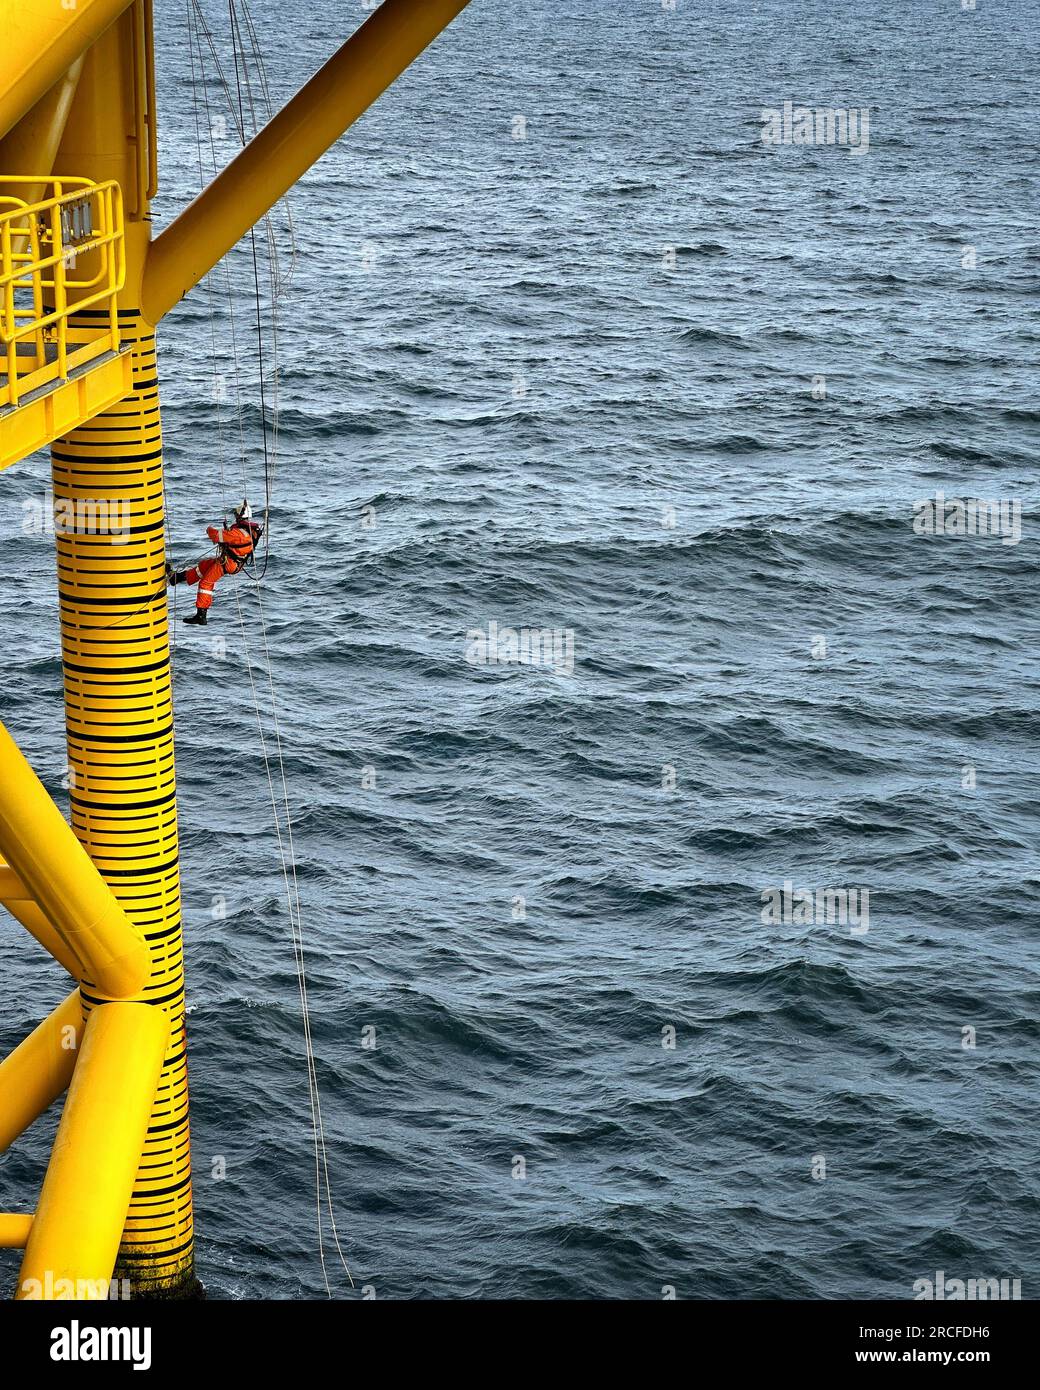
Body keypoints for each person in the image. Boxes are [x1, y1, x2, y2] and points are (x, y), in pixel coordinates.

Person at [167, 500, 263, 625]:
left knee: (206, 583)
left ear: (239, 517)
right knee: (203, 567)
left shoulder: (238, 534)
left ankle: (201, 615)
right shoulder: (251, 531)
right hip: (232, 561)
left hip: (228, 563)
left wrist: (209, 529)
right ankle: (176, 578)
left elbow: (216, 536)